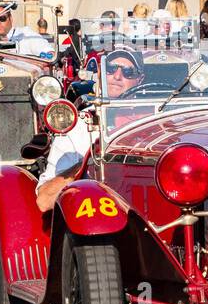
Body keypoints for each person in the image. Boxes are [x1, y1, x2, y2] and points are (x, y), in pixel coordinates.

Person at [35, 47, 145, 211]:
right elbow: (44, 200)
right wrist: (90, 163)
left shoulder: (153, 120)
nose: (117, 76)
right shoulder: (79, 124)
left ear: (140, 79)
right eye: (111, 69)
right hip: (96, 214)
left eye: (128, 72)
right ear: (100, 73)